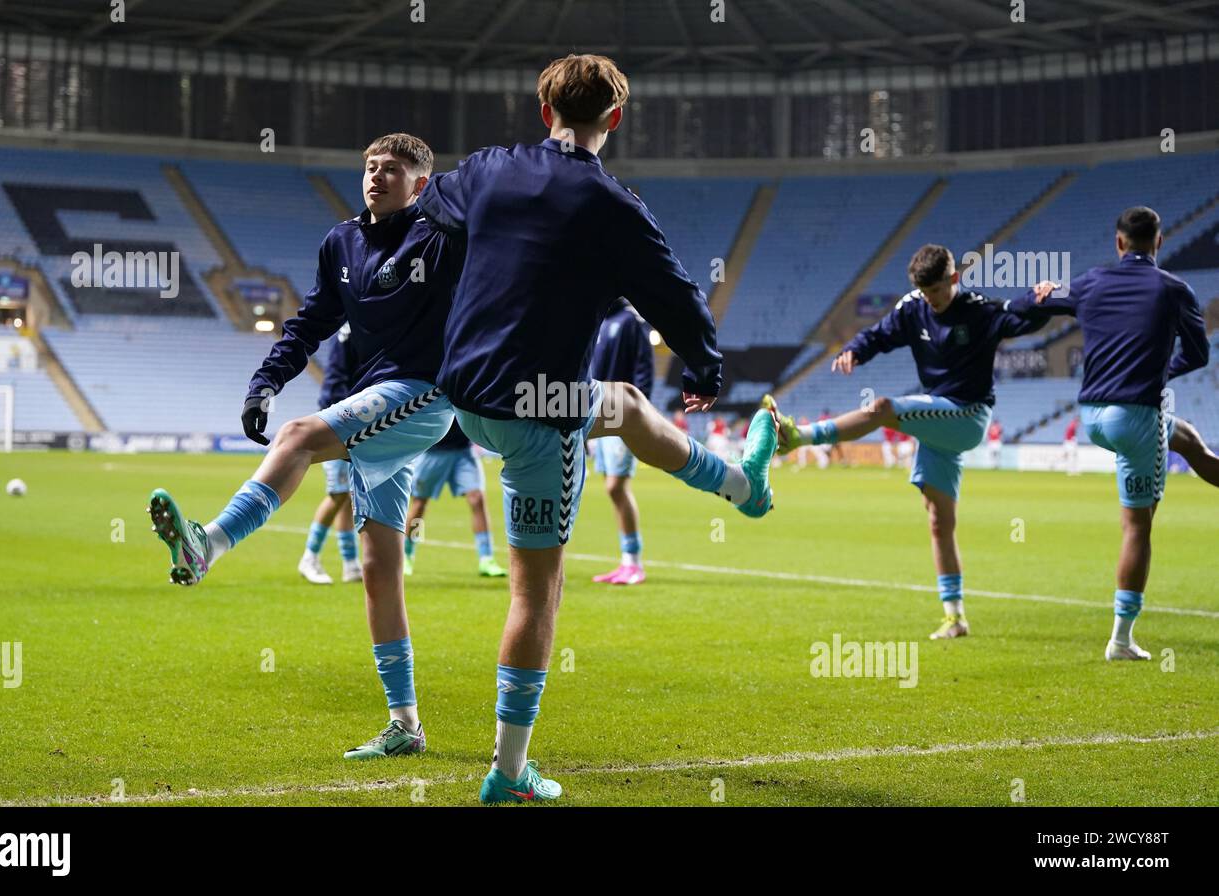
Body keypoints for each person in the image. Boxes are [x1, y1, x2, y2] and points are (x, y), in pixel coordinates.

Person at [416, 53, 777, 803]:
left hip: (467, 395)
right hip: (540, 408)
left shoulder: (486, 169)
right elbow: (674, 295)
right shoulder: (615, 205)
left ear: (543, 110)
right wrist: (706, 370)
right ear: (613, 119)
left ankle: (741, 483)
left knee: (625, 407)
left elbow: (432, 205)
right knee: (536, 593)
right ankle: (510, 774)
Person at [147, 133, 459, 760]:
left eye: (393, 170)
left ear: (421, 184)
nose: (376, 176)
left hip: (428, 392)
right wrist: (265, 381)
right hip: (379, 402)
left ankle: (208, 544)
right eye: (370, 166)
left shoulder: (444, 235)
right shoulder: (339, 243)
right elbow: (310, 323)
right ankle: (406, 725)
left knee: (298, 436)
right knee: (378, 572)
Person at [764, 243, 1056, 641]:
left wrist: (1040, 300)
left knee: (883, 407)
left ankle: (799, 437)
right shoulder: (913, 306)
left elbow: (1016, 317)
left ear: (953, 279)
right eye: (925, 292)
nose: (931, 300)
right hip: (939, 421)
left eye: (937, 290)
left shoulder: (976, 309)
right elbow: (881, 334)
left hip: (967, 414)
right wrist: (853, 350)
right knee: (939, 521)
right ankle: (955, 617)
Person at [1009, 206, 1218, 661]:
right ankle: (1121, 641)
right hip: (1135, 415)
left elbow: (1028, 306)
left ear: (1118, 243)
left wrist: (1038, 291)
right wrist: (1163, 368)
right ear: (1158, 243)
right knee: (1138, 527)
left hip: (1092, 416)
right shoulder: (1174, 289)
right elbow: (1199, 354)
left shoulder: (1090, 282)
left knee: (1185, 439)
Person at [590, 298, 655, 586]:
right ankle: (627, 560)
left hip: (621, 413)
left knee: (616, 485)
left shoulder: (632, 320)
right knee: (612, 489)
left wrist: (639, 412)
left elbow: (644, 367)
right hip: (597, 410)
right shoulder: (600, 318)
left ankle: (634, 562)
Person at [298, 323, 362, 585]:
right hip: (343, 418)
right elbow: (338, 378)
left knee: (347, 497)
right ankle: (309, 557)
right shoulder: (351, 329)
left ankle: (350, 563)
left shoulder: (354, 326)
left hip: (353, 416)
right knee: (337, 494)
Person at [403, 420, 507, 577]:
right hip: (432, 451)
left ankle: (487, 559)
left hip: (464, 451)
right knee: (419, 504)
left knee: (477, 499)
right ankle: (407, 554)